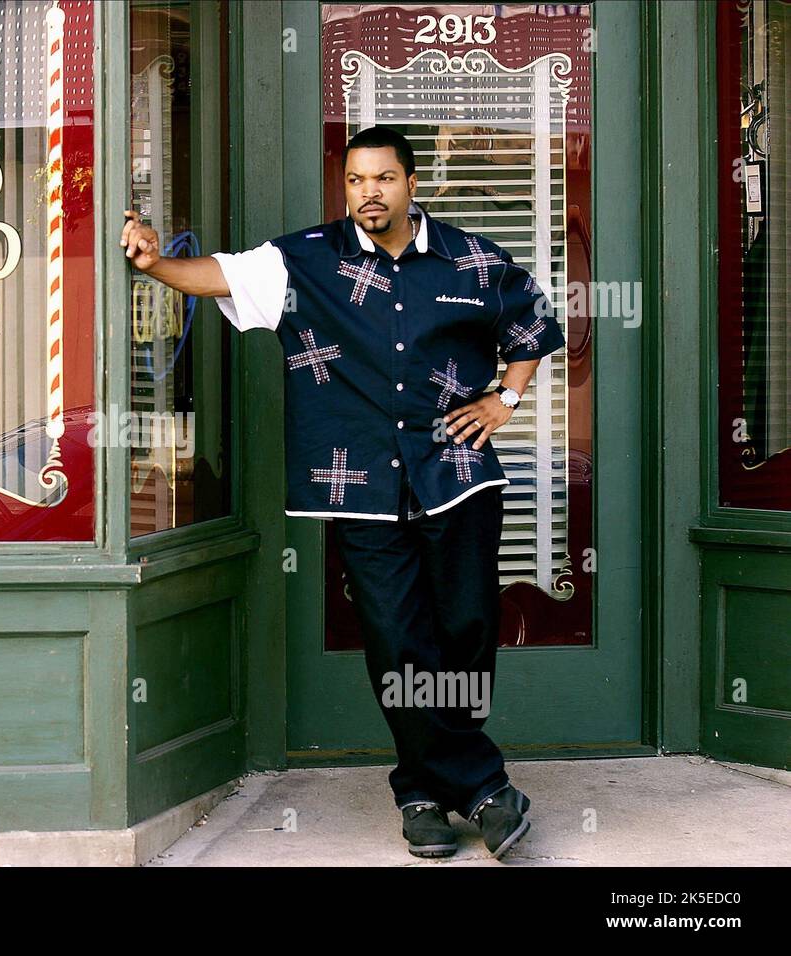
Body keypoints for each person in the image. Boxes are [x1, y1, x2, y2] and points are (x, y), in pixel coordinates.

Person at [118, 125, 564, 860]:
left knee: (467, 632)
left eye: (383, 179)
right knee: (396, 643)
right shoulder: (307, 261)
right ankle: (482, 788)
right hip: (357, 485)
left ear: (413, 184)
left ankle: (422, 791)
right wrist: (156, 260)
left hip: (456, 477)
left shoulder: (473, 259)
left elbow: (533, 327)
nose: (368, 194)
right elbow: (217, 276)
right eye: (356, 181)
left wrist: (504, 401)